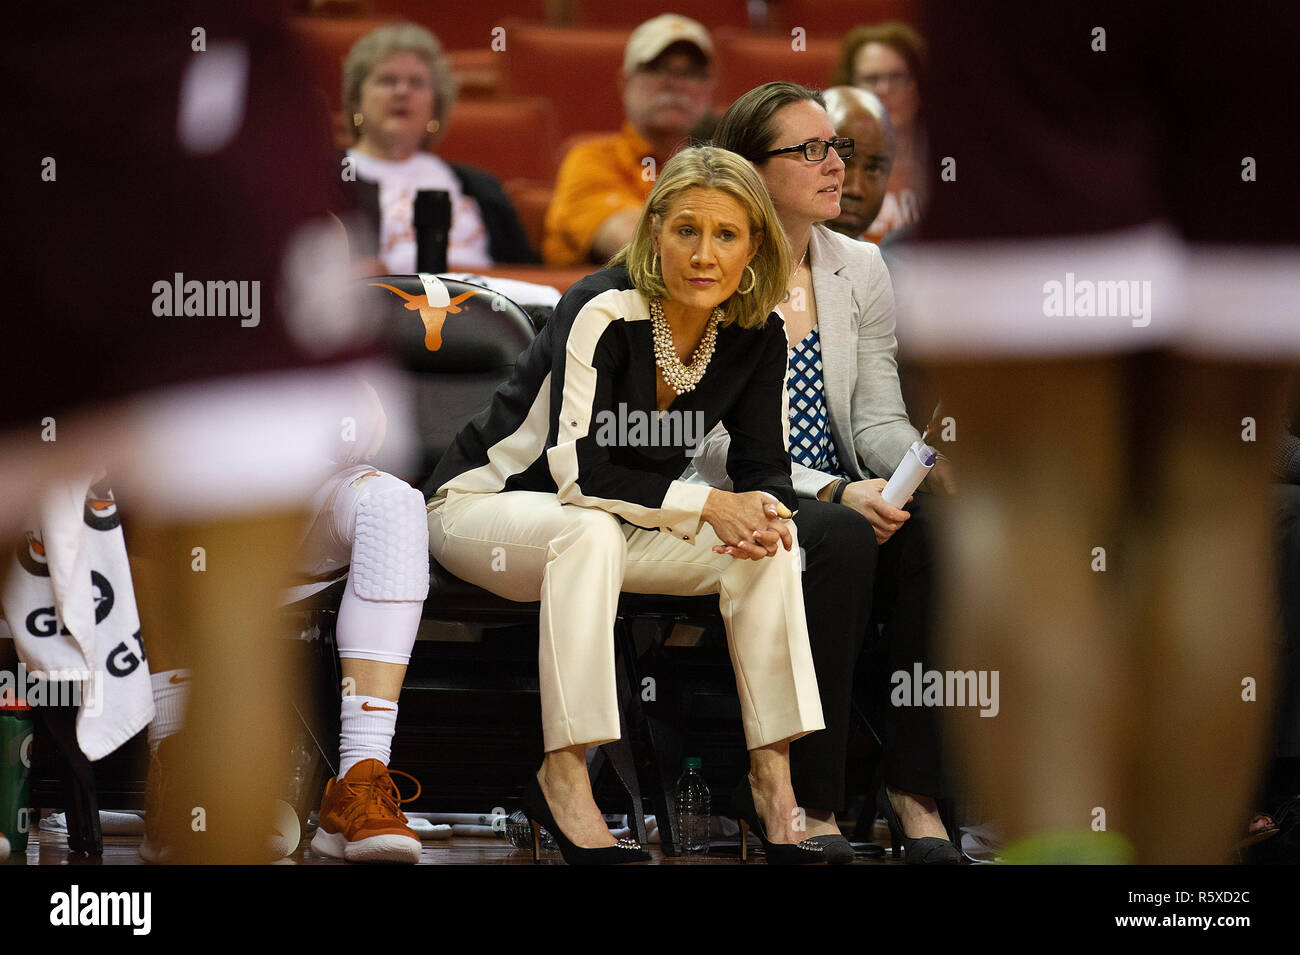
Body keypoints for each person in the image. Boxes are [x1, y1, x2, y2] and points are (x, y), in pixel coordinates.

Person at [427, 146, 829, 865]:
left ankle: (773, 782)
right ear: (654, 234)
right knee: (587, 532)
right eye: (685, 231)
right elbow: (577, 470)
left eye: (726, 235)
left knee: (768, 552)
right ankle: (565, 775)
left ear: (755, 245)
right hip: (488, 508)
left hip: (624, 524)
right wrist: (709, 505)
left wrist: (765, 512)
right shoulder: (602, 308)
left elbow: (764, 465)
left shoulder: (756, 331)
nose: (704, 254)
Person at [697, 82, 959, 863]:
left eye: (836, 147)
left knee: (944, 532)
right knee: (840, 536)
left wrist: (920, 467)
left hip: (845, 487)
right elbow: (704, 442)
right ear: (752, 165)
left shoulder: (861, 266)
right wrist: (838, 490)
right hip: (742, 489)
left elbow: (875, 415)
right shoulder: (715, 258)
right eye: (808, 149)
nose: (834, 163)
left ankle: (916, 790)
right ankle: (813, 798)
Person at [342, 22, 537, 272]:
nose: (402, 91)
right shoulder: (324, 179)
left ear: (435, 107)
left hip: (483, 305)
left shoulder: (480, 185)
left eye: (417, 83)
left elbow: (525, 272)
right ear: (357, 100)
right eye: (387, 80)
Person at [541, 14, 715, 267]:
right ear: (625, 82)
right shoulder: (590, 159)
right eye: (656, 68)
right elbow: (638, 241)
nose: (675, 83)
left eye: (690, 73)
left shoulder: (721, 163)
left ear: (710, 88)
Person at [830, 22, 926, 245]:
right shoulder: (828, 162)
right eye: (872, 79)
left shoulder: (950, 163)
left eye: (898, 77)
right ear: (849, 86)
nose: (885, 89)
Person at [822, 87, 896, 243]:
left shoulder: (894, 267)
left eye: (874, 169)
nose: (855, 190)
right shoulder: (759, 265)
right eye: (842, 161)